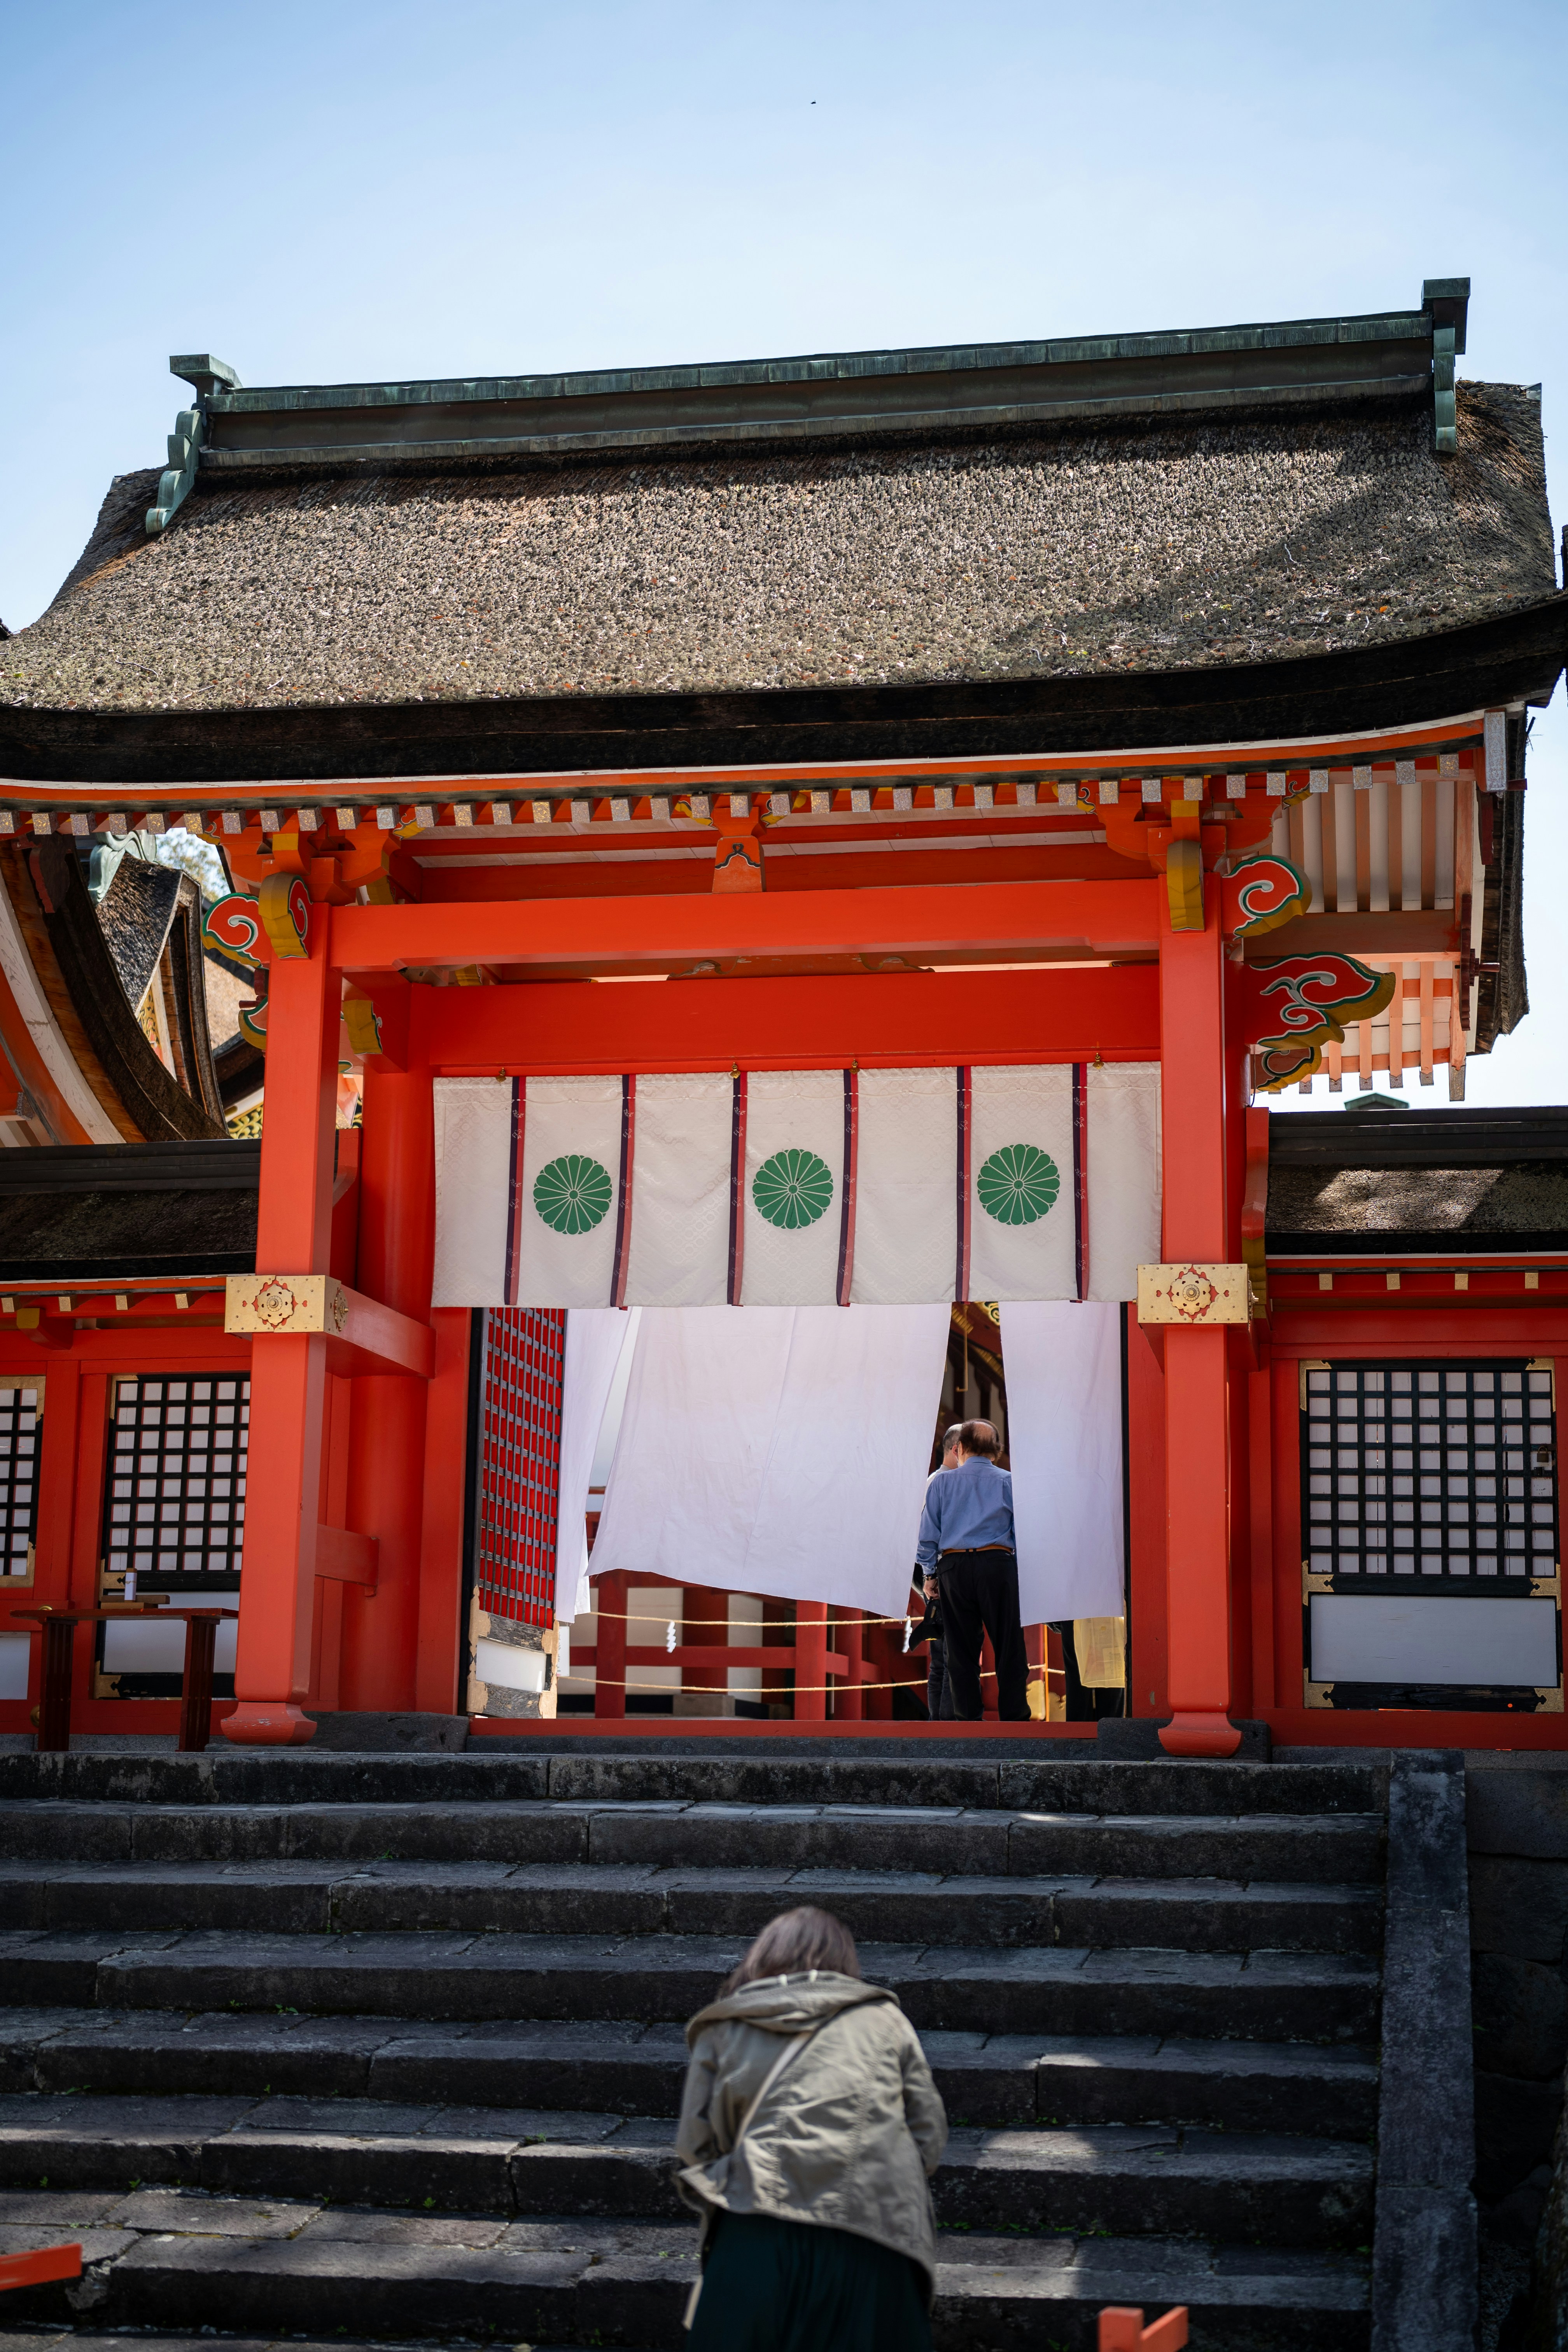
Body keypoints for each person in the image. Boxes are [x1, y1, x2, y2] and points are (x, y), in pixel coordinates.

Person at [675, 1904, 947, 2352]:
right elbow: (928, 2134)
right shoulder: (885, 2020)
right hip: (875, 2228)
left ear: (761, 1957)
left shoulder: (724, 2026)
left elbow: (695, 2144)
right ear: (845, 1961)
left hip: (757, 2222)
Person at [915, 1418, 1028, 1720]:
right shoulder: (1009, 1482)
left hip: (955, 1568)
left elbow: (927, 1535)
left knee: (961, 1650)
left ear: (960, 1448)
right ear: (996, 1451)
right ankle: (1015, 1719)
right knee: (1009, 1645)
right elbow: (1023, 1534)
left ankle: (968, 1722)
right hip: (997, 1564)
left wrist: (930, 1575)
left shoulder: (940, 1482)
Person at [906, 1424, 962, 1718]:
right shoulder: (939, 1484)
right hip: (939, 1577)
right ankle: (944, 1725)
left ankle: (939, 1724)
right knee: (947, 1657)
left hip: (936, 1577)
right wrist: (931, 1579)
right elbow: (923, 1539)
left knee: (943, 1657)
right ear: (957, 1449)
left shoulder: (937, 1482)